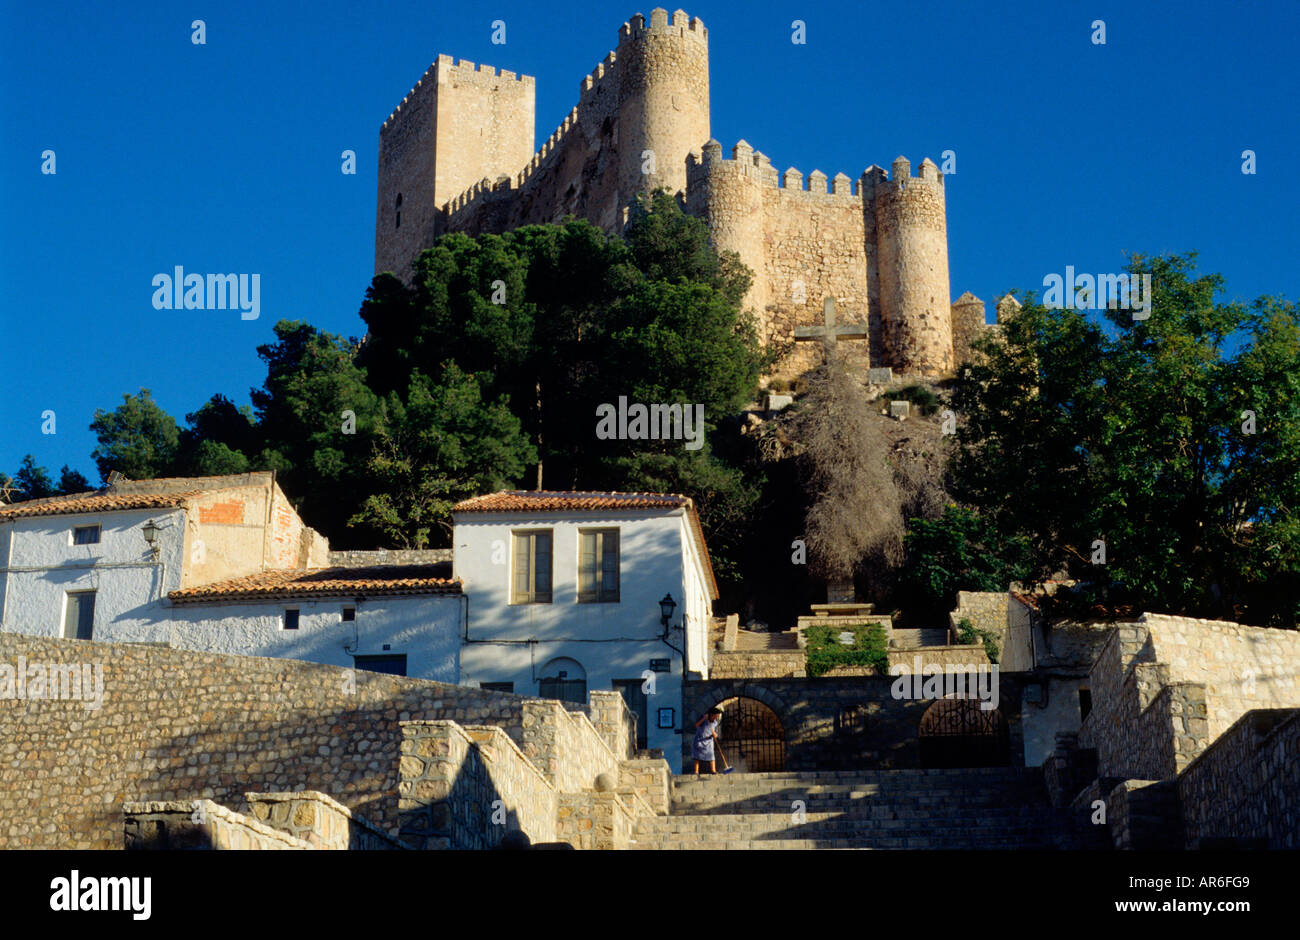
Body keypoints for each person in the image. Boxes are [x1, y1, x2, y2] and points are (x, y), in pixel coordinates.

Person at [692, 706, 723, 774]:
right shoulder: (703, 718)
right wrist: (703, 719)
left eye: (717, 716)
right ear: (711, 714)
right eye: (716, 716)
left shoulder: (715, 722)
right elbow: (696, 725)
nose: (716, 717)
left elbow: (717, 732)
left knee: (711, 755)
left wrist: (715, 735)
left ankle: (713, 770)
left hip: (709, 741)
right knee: (697, 756)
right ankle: (696, 771)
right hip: (700, 740)